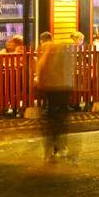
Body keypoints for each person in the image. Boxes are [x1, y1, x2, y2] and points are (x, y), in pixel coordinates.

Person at [34, 30, 76, 161]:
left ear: (42, 41)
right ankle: (62, 146)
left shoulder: (46, 49)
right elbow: (70, 67)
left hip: (52, 87)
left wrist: (39, 82)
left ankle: (53, 146)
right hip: (65, 86)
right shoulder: (63, 48)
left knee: (51, 117)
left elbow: (40, 66)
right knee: (62, 117)